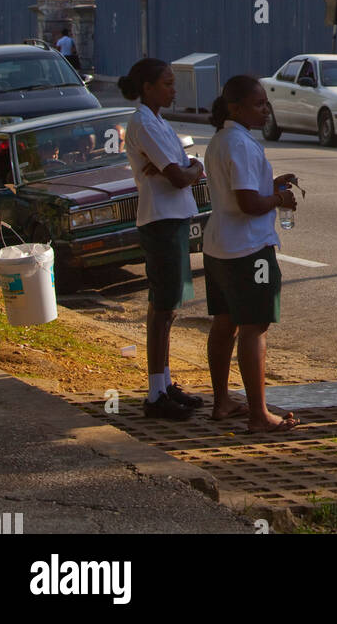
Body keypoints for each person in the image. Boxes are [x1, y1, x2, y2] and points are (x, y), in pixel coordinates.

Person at [202, 75, 299, 433]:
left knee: (225, 322)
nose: (265, 109)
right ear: (235, 107)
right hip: (248, 249)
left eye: (265, 103)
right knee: (254, 326)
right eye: (258, 104)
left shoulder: (222, 140)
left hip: (218, 246)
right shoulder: (240, 143)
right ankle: (259, 413)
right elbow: (246, 202)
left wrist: (269, 185)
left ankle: (222, 401)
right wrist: (278, 198)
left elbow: (237, 190)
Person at [120, 58, 206, 421]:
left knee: (169, 306)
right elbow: (179, 175)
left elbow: (181, 164)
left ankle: (165, 381)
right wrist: (193, 169)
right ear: (148, 86)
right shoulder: (143, 122)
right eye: (168, 83)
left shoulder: (158, 121)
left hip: (173, 217)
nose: (174, 89)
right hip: (161, 219)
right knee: (163, 308)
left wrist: (189, 167)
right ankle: (155, 393)